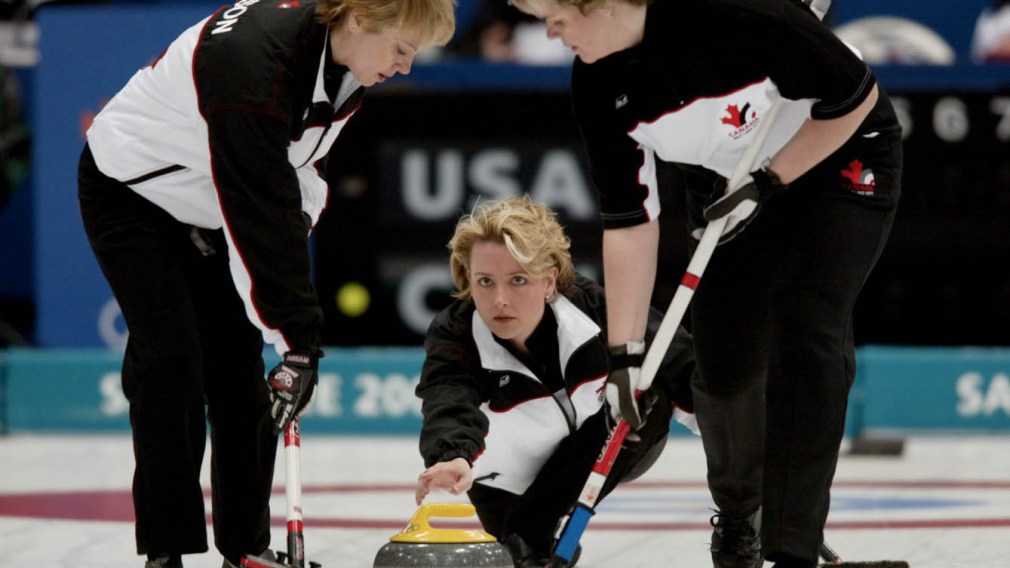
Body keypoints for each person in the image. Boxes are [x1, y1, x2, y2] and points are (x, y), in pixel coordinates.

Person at [505, 1, 903, 567]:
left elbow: (853, 96)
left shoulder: (735, 14)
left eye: (555, 14)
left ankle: (793, 550)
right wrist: (624, 358)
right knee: (723, 371)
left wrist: (771, 180)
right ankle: (743, 520)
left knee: (806, 325)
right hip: (726, 182)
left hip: (836, 155)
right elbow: (630, 221)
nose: (547, 30)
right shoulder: (596, 81)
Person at [77, 1, 454, 567]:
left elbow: (300, 172)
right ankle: (166, 549)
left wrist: (290, 345)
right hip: (133, 191)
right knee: (171, 360)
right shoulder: (252, 67)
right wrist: (300, 340)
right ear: (357, 19)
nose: (404, 67)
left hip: (210, 196)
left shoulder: (346, 64)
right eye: (401, 49)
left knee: (240, 370)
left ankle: (244, 549)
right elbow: (257, 208)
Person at [414, 195, 698, 567]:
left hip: (611, 443)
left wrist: (746, 447)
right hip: (508, 478)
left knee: (647, 391)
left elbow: (691, 377)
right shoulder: (455, 334)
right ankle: (537, 534)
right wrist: (452, 456)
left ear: (549, 281)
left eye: (518, 280)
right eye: (485, 281)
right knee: (522, 555)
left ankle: (544, 522)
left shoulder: (598, 310)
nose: (499, 300)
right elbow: (449, 398)